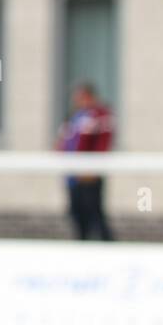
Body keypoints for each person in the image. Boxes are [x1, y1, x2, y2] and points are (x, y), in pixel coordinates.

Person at [57, 82, 115, 241]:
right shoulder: (74, 117)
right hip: (72, 174)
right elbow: (65, 140)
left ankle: (109, 251)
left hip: (89, 174)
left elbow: (102, 143)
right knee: (76, 214)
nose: (77, 101)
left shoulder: (99, 116)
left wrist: (93, 167)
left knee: (94, 214)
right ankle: (81, 249)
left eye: (80, 97)